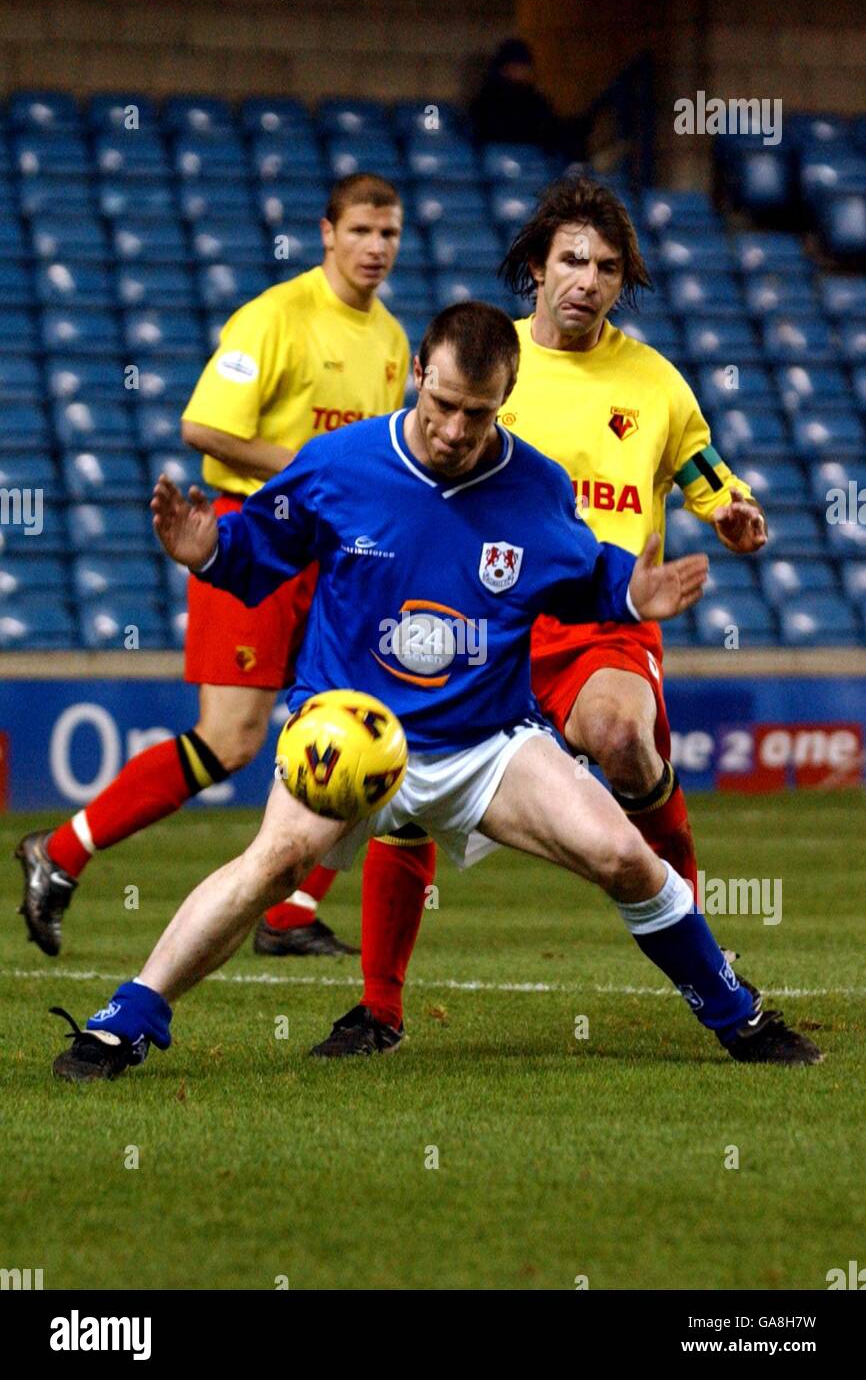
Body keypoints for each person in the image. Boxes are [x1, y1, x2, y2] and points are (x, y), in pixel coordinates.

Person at [48, 302, 821, 1081]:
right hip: (348, 728)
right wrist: (208, 551)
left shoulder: (536, 487)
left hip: (486, 742)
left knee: (623, 854)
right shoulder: (338, 463)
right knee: (275, 861)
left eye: (477, 413)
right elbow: (255, 552)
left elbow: (585, 576)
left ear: (505, 397)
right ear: (419, 374)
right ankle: (125, 1020)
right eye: (443, 404)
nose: (454, 429)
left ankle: (738, 1017)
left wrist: (630, 594)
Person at [321, 175, 769, 1058]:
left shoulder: (655, 381)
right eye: (572, 259)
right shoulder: (488, 370)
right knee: (403, 796)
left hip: (604, 618)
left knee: (621, 736)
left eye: (606, 267)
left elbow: (707, 471)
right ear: (536, 265)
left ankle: (695, 932)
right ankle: (378, 1010)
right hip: (484, 620)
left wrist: (732, 512)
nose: (588, 280)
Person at [16, 171, 433, 961]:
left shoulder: (390, 337)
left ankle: (291, 912)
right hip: (256, 535)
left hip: (337, 549)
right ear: (326, 232)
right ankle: (61, 851)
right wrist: (317, 469)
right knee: (230, 742)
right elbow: (205, 426)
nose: (376, 248)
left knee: (375, 725)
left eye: (390, 234)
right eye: (361, 232)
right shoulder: (275, 317)